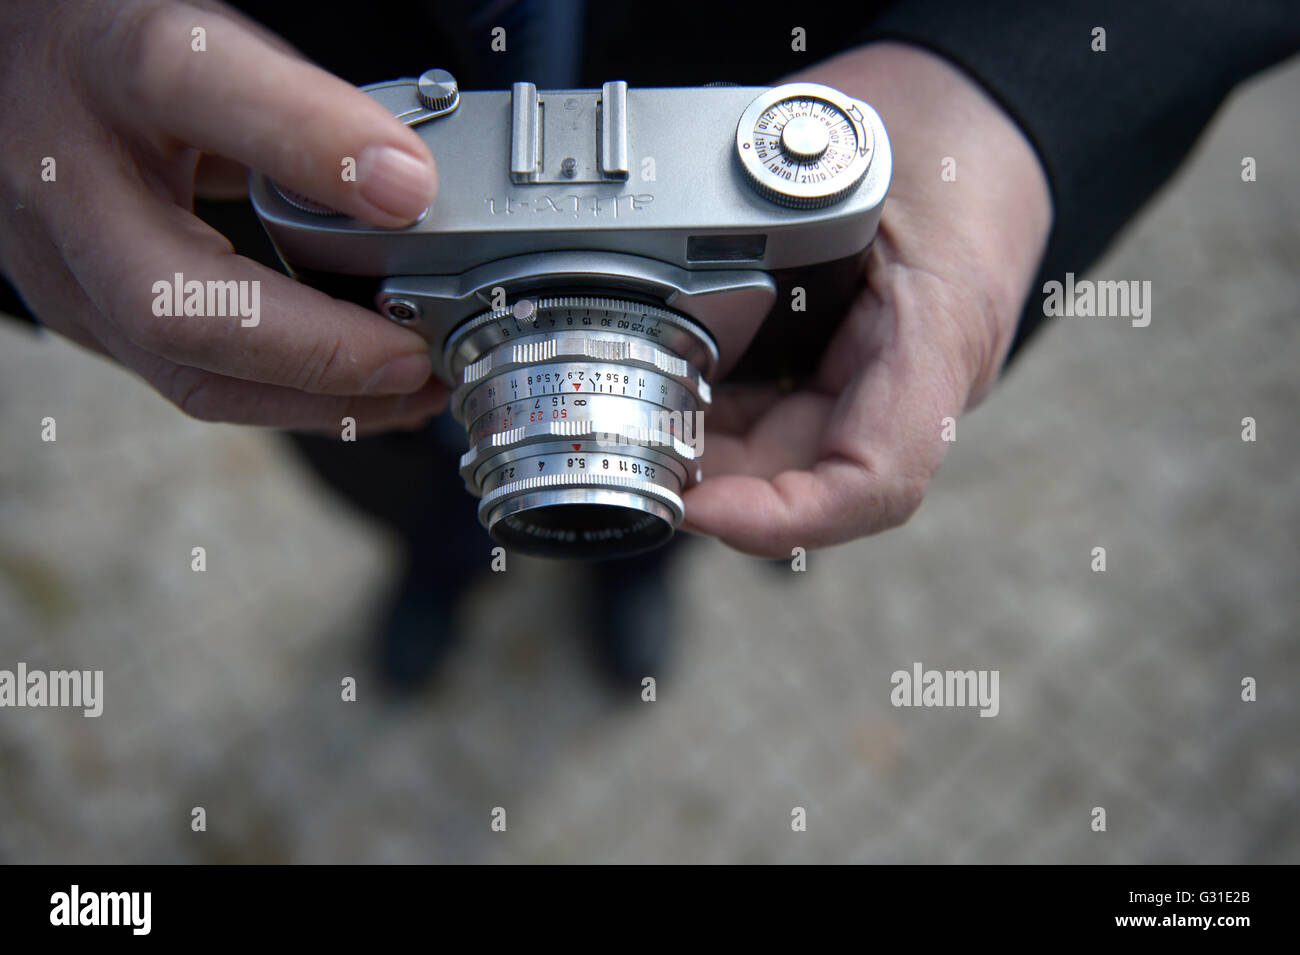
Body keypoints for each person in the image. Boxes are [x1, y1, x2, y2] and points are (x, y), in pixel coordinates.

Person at [3, 1, 1296, 687]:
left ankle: (637, 569)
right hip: (356, 370)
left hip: (744, 377)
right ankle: (445, 567)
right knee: (416, 477)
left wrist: (1004, 99)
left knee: (677, 504)